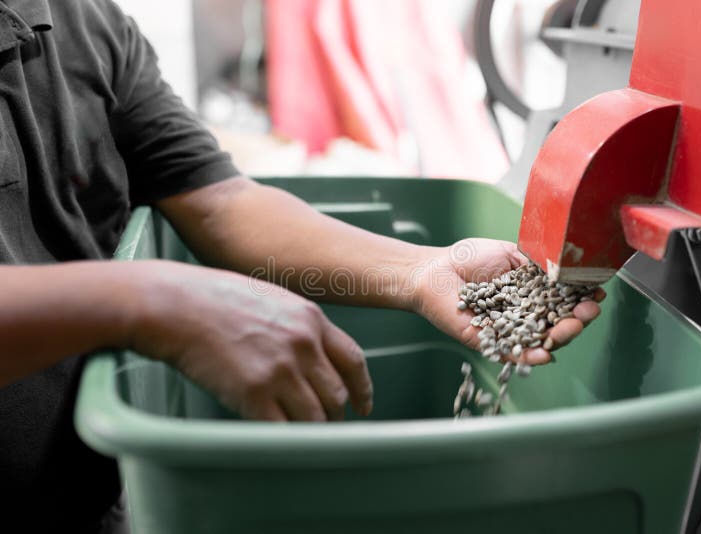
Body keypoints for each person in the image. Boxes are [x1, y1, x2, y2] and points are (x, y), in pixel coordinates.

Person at [0, 0, 603, 531]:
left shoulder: (85, 20)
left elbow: (217, 200)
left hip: (90, 497)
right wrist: (150, 300)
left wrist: (420, 274)